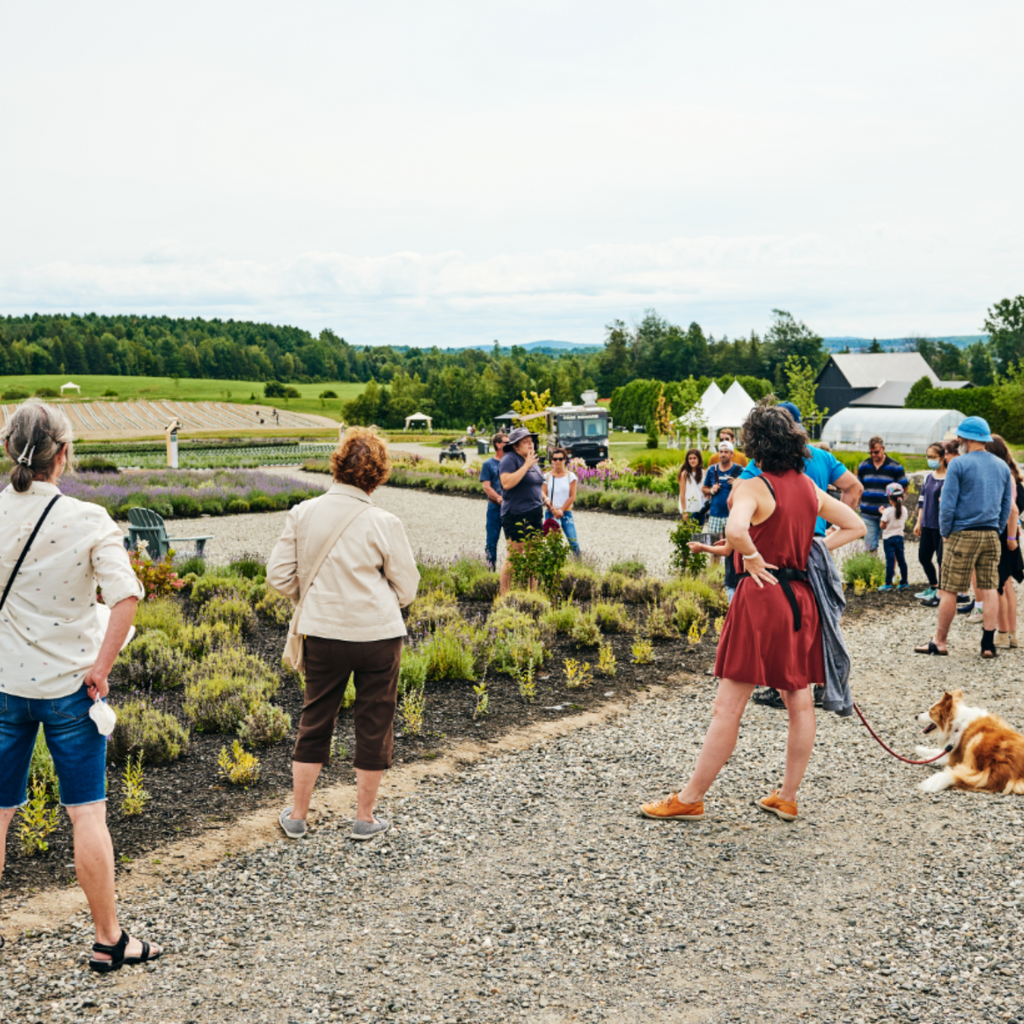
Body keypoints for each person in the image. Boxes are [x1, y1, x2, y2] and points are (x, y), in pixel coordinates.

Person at [640, 402, 865, 824]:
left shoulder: (753, 486)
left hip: (762, 598)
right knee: (799, 701)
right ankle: (787, 797)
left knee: (728, 707)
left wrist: (754, 558)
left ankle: (690, 797)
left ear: (754, 442)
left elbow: (736, 529)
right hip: (801, 600)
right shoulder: (808, 488)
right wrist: (815, 549)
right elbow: (856, 526)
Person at [0, 401, 159, 972]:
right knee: (86, 814)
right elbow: (127, 595)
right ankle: (108, 940)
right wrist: (101, 667)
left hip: (4, 686)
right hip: (72, 690)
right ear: (63, 454)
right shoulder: (89, 520)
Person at [267, 428, 420, 840]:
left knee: (315, 718)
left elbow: (278, 575)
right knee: (375, 722)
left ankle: (298, 815)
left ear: (336, 464)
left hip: (323, 632)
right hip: (378, 635)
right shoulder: (385, 521)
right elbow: (407, 588)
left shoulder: (303, 513)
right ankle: (364, 819)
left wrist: (314, 596)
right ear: (378, 474)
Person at [735, 401, 863, 709]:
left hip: (772, 557)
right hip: (808, 555)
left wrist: (750, 552)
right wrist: (819, 542)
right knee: (820, 620)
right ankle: (822, 683)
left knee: (769, 644)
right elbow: (854, 491)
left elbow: (736, 514)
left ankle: (777, 684)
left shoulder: (758, 472)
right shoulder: (820, 460)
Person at [914, 416, 1012, 659]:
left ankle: (940, 642)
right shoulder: (1001, 466)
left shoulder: (958, 465)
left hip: (962, 532)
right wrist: (997, 529)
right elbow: (1005, 505)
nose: (957, 441)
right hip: (990, 533)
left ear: (968, 439)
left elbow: (947, 505)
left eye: (959, 438)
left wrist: (946, 532)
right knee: (989, 587)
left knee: (948, 588)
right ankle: (988, 644)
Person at [985, 434, 1024, 649]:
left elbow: (1013, 509)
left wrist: (1010, 538)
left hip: (1003, 533)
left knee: (997, 584)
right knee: (1007, 585)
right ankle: (1011, 634)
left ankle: (1001, 633)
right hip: (1011, 532)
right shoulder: (1013, 474)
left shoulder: (1001, 474)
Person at [497, 427, 547, 595]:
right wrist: (526, 465)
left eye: (531, 441)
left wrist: (546, 500)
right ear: (515, 446)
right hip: (516, 513)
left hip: (534, 512)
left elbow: (533, 486)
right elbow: (506, 483)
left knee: (534, 556)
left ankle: (532, 594)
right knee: (515, 555)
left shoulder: (532, 461)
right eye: (525, 442)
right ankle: (504, 596)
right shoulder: (510, 459)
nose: (530, 444)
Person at [856, 437, 909, 553]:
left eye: (876, 452)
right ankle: (873, 570)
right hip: (868, 514)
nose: (873, 455)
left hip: (889, 514)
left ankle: (891, 571)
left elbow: (904, 487)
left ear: (883, 448)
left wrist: (895, 504)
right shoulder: (863, 466)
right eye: (871, 452)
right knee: (870, 548)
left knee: (891, 548)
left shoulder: (895, 467)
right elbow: (858, 487)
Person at [912, 442, 949, 601]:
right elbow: (922, 501)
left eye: (933, 457)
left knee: (942, 560)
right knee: (924, 557)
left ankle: (942, 590)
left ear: (942, 458)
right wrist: (918, 522)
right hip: (927, 523)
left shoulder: (949, 478)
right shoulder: (928, 477)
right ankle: (933, 585)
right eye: (928, 457)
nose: (930, 460)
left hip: (940, 526)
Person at [542, 447, 580, 555]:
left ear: (564, 460)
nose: (558, 461)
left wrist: (561, 510)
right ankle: (556, 568)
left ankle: (579, 565)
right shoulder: (547, 477)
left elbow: (572, 496)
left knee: (573, 542)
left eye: (560, 459)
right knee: (554, 544)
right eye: (555, 459)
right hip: (551, 512)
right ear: (552, 460)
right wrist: (553, 510)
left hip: (566, 512)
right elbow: (543, 494)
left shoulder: (570, 476)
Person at [702, 441, 742, 540]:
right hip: (715, 514)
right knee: (713, 546)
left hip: (733, 515)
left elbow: (749, 490)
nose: (723, 454)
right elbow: (704, 489)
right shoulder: (712, 469)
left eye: (726, 452)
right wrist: (711, 490)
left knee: (733, 547)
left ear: (732, 454)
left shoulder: (740, 470)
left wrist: (736, 485)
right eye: (721, 452)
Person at [479, 432, 508, 570]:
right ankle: (490, 570)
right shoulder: (488, 464)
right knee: (492, 541)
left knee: (513, 542)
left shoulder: (511, 463)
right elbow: (486, 487)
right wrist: (498, 498)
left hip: (510, 508)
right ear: (498, 444)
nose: (509, 445)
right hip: (495, 508)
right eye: (506, 443)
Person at [878, 483, 910, 591]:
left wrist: (882, 514)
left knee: (890, 562)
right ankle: (904, 582)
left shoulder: (887, 511)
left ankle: (888, 583)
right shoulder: (904, 510)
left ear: (889, 498)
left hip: (888, 540)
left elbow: (882, 525)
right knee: (902, 561)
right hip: (899, 538)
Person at [677, 448, 706, 521]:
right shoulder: (685, 474)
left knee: (699, 530)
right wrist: (684, 511)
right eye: (690, 458)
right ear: (687, 460)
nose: (692, 460)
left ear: (699, 459)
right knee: (689, 530)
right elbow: (682, 494)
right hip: (689, 507)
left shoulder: (703, 472)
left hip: (701, 507)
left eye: (694, 458)